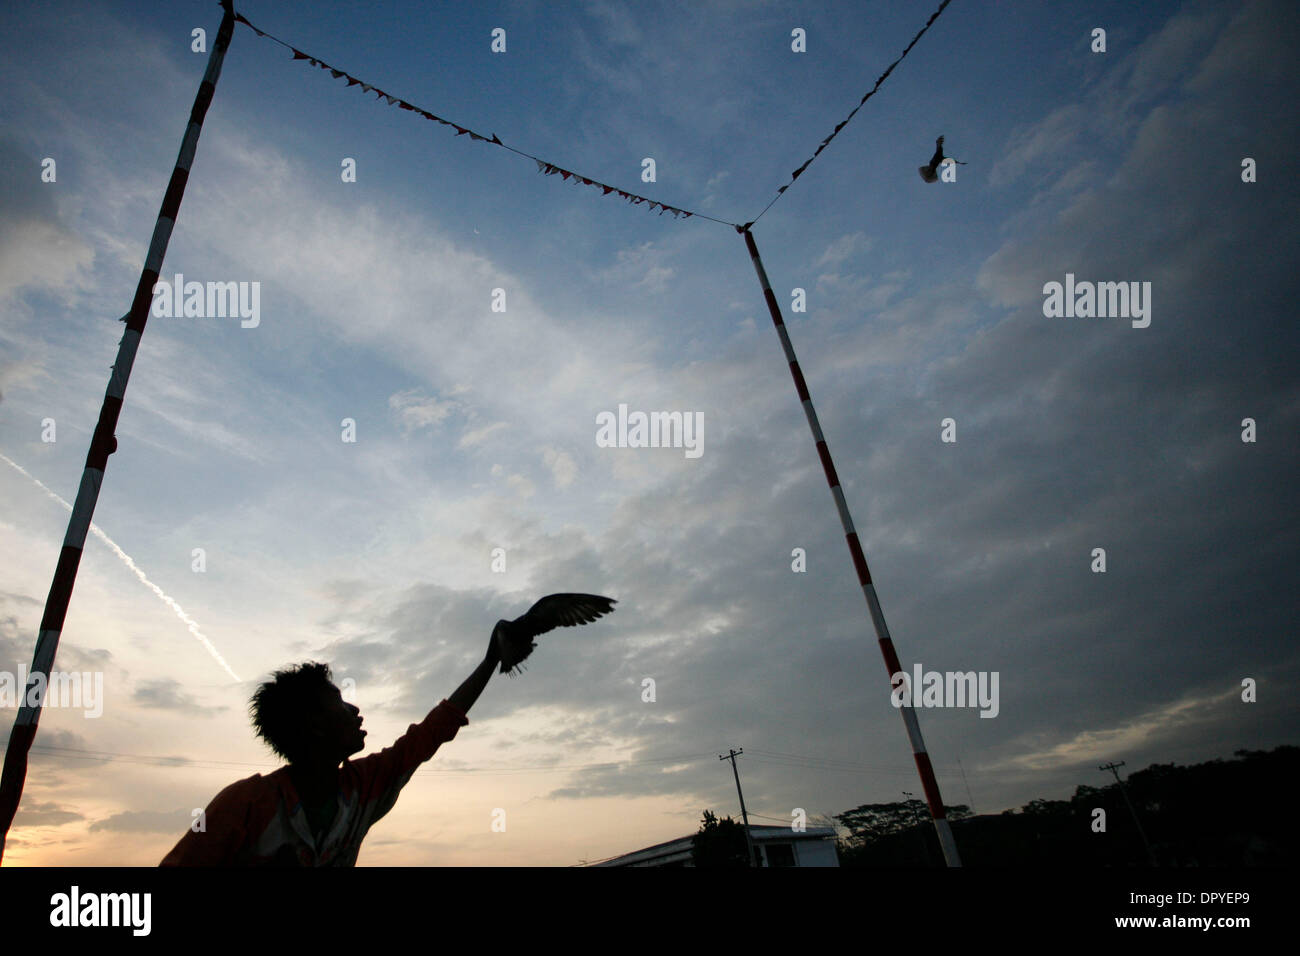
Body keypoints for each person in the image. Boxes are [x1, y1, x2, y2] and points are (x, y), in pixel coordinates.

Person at [159, 638, 499, 866]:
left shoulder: (362, 787)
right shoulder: (244, 804)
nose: (355, 710)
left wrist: (491, 660)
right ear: (315, 725)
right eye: (339, 703)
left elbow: (431, 734)